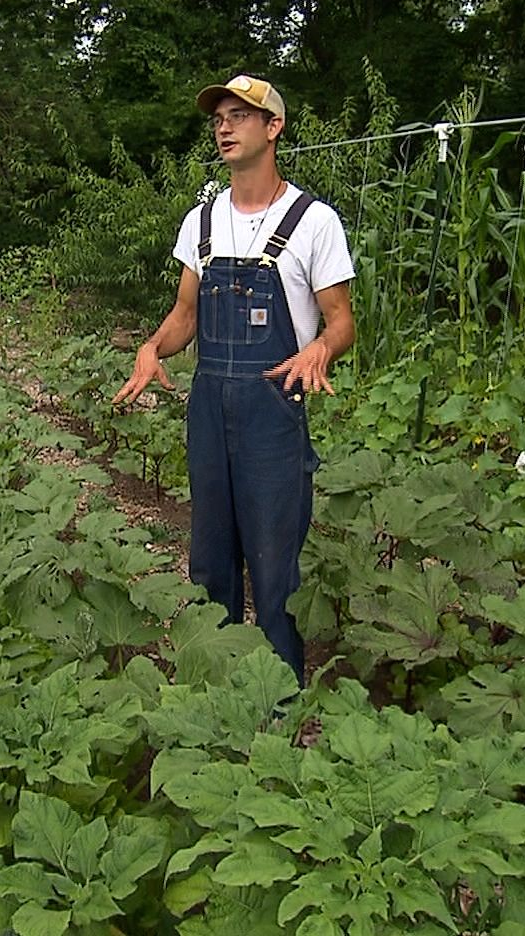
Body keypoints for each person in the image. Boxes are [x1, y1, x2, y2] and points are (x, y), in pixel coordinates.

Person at [113, 74, 356, 678]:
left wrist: (319, 351)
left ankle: (277, 698)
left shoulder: (313, 221)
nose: (224, 126)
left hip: (273, 413)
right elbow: (186, 315)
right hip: (209, 413)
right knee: (211, 559)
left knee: (275, 566)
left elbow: (343, 322)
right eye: (219, 117)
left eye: (240, 115)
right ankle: (213, 688)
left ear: (273, 128)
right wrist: (153, 349)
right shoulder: (202, 221)